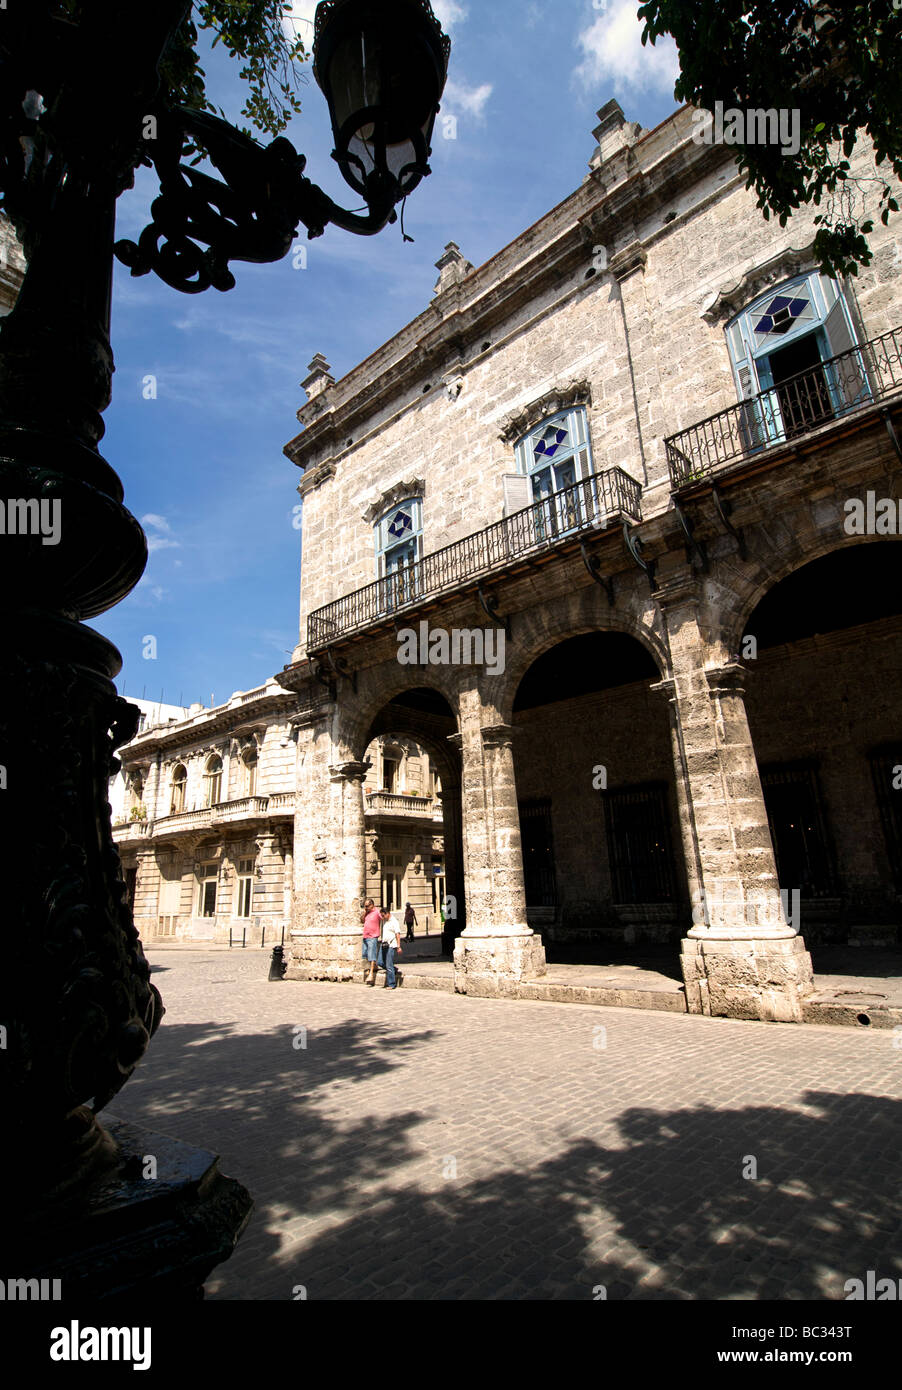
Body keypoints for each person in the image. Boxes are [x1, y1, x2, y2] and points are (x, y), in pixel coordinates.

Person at [380, 907, 403, 990]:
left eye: (383, 915)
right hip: (384, 944)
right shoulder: (384, 921)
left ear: (387, 913)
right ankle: (393, 969)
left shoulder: (394, 922)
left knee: (389, 964)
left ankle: (391, 984)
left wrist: (398, 946)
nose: (382, 917)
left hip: (391, 945)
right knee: (380, 961)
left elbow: (397, 934)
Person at [361, 898, 381, 986]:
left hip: (373, 936)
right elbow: (361, 920)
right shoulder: (367, 913)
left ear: (372, 905)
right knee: (365, 954)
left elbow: (383, 918)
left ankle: (371, 973)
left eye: (367, 906)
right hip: (365, 936)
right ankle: (374, 967)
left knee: (372, 955)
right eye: (365, 906)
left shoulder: (377, 912)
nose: (366, 908)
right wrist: (365, 913)